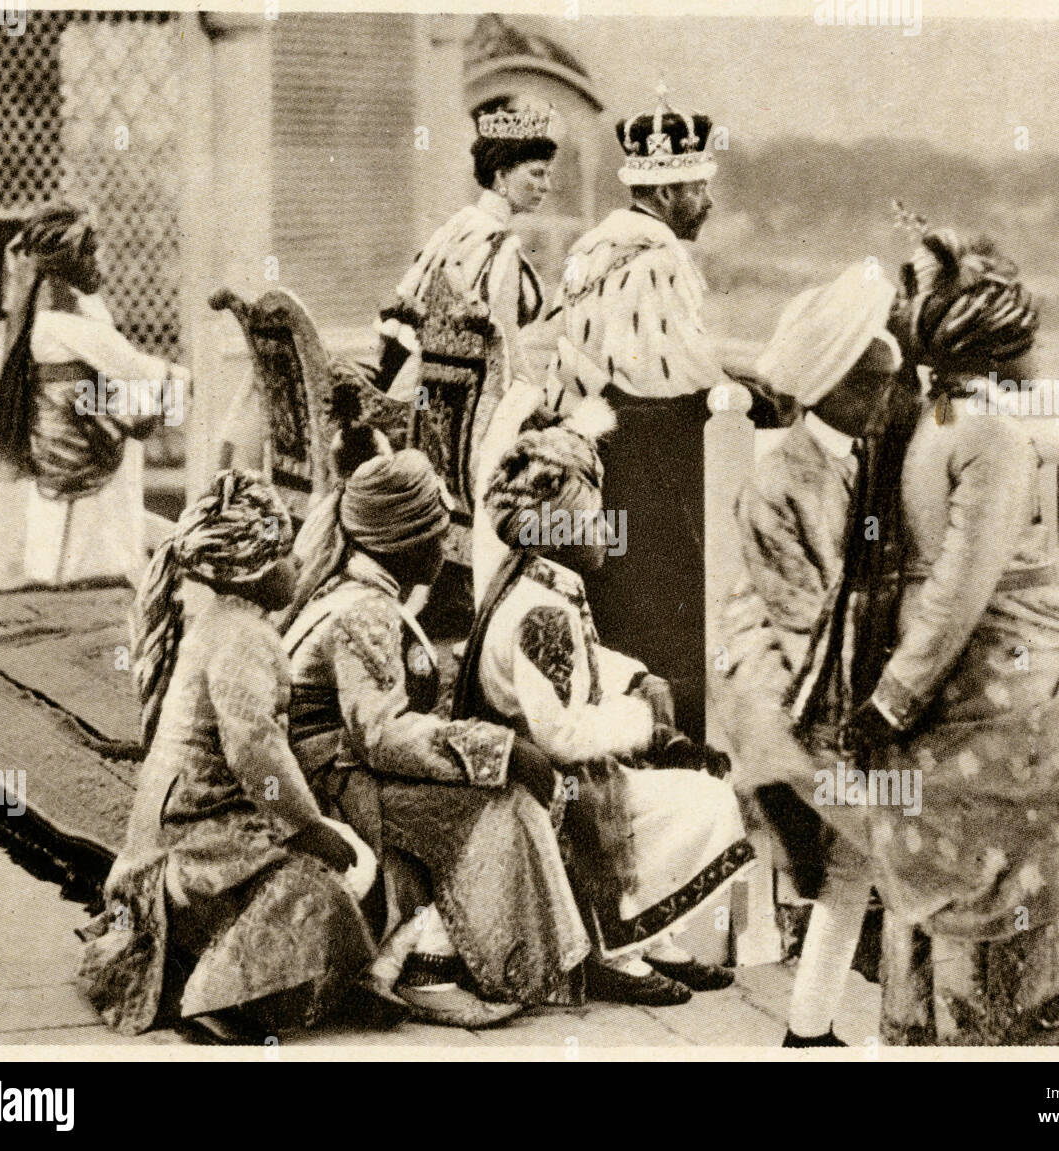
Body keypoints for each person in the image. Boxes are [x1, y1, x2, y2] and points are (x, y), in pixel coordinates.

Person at [856, 228, 1059, 1045]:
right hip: (1001, 686)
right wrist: (896, 696)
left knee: (940, 883)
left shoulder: (926, 416)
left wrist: (895, 688)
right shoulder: (990, 431)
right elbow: (965, 582)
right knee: (1011, 890)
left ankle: (929, 1033)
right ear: (1002, 347)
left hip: (947, 686)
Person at [455, 398, 755, 1006]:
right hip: (550, 784)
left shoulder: (537, 583)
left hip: (564, 768)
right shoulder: (542, 610)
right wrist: (644, 727)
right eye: (593, 520)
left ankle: (650, 933)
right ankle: (614, 947)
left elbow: (580, 663)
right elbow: (562, 733)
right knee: (706, 796)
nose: (603, 532)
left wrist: (636, 676)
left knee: (686, 789)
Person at [280, 448, 590, 1027]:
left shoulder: (358, 590)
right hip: (337, 783)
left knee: (493, 790)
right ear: (403, 539)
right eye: (436, 533)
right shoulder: (364, 610)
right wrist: (498, 750)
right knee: (502, 805)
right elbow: (383, 735)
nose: (445, 547)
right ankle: (427, 965)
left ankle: (417, 949)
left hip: (340, 766)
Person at [78, 471, 378, 1041]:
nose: (297, 566)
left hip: (171, 835)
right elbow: (255, 752)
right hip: (195, 841)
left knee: (317, 871)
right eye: (286, 554)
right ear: (252, 569)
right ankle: (223, 998)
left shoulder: (214, 622)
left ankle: (197, 956)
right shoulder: (244, 634)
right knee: (318, 887)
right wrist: (307, 828)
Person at [714, 263, 918, 1046]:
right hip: (779, 678)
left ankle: (807, 1029)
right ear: (831, 385)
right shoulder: (779, 480)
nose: (884, 400)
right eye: (871, 384)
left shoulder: (870, 460)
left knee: (858, 860)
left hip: (841, 665)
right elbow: (800, 617)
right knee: (889, 834)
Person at [545, 86, 729, 741]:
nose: (706, 203)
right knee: (668, 600)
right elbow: (680, 374)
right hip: (648, 453)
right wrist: (748, 393)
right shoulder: (657, 258)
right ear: (666, 191)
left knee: (619, 593)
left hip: (599, 442)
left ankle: (625, 723)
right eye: (698, 188)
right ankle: (676, 734)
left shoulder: (595, 249)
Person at [0, 204, 188, 586]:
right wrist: (184, 382)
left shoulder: (75, 308)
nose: (96, 261)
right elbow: (131, 365)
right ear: (66, 262)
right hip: (77, 448)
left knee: (99, 536)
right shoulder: (59, 320)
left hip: (87, 428)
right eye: (88, 252)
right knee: (77, 555)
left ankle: (95, 581)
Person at [395, 97, 556, 389]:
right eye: (537, 173)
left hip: (432, 387)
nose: (546, 186)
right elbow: (507, 349)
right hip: (479, 393)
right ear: (501, 175)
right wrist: (535, 399)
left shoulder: (461, 226)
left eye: (548, 174)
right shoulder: (499, 244)